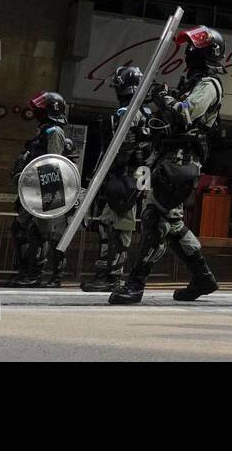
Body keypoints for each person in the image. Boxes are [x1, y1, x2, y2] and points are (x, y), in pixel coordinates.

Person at [110, 26, 224, 305]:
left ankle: (136, 284)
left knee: (155, 219)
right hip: (167, 157)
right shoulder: (193, 82)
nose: (187, 53)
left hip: (182, 160)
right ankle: (203, 276)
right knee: (171, 222)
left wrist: (162, 97)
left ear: (207, 53)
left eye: (193, 49)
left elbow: (183, 115)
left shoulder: (209, 85)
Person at [82, 66, 153, 293]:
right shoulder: (143, 115)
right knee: (107, 224)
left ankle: (113, 275)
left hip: (127, 176)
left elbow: (116, 150)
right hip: (129, 176)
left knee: (119, 226)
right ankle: (106, 272)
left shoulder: (129, 114)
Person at [0, 92, 74, 288]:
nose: (37, 112)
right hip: (32, 190)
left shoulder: (54, 131)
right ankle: (24, 271)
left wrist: (46, 193)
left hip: (45, 191)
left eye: (41, 108)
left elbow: (53, 162)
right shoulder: (43, 131)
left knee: (38, 233)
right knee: (20, 229)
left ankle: (34, 274)